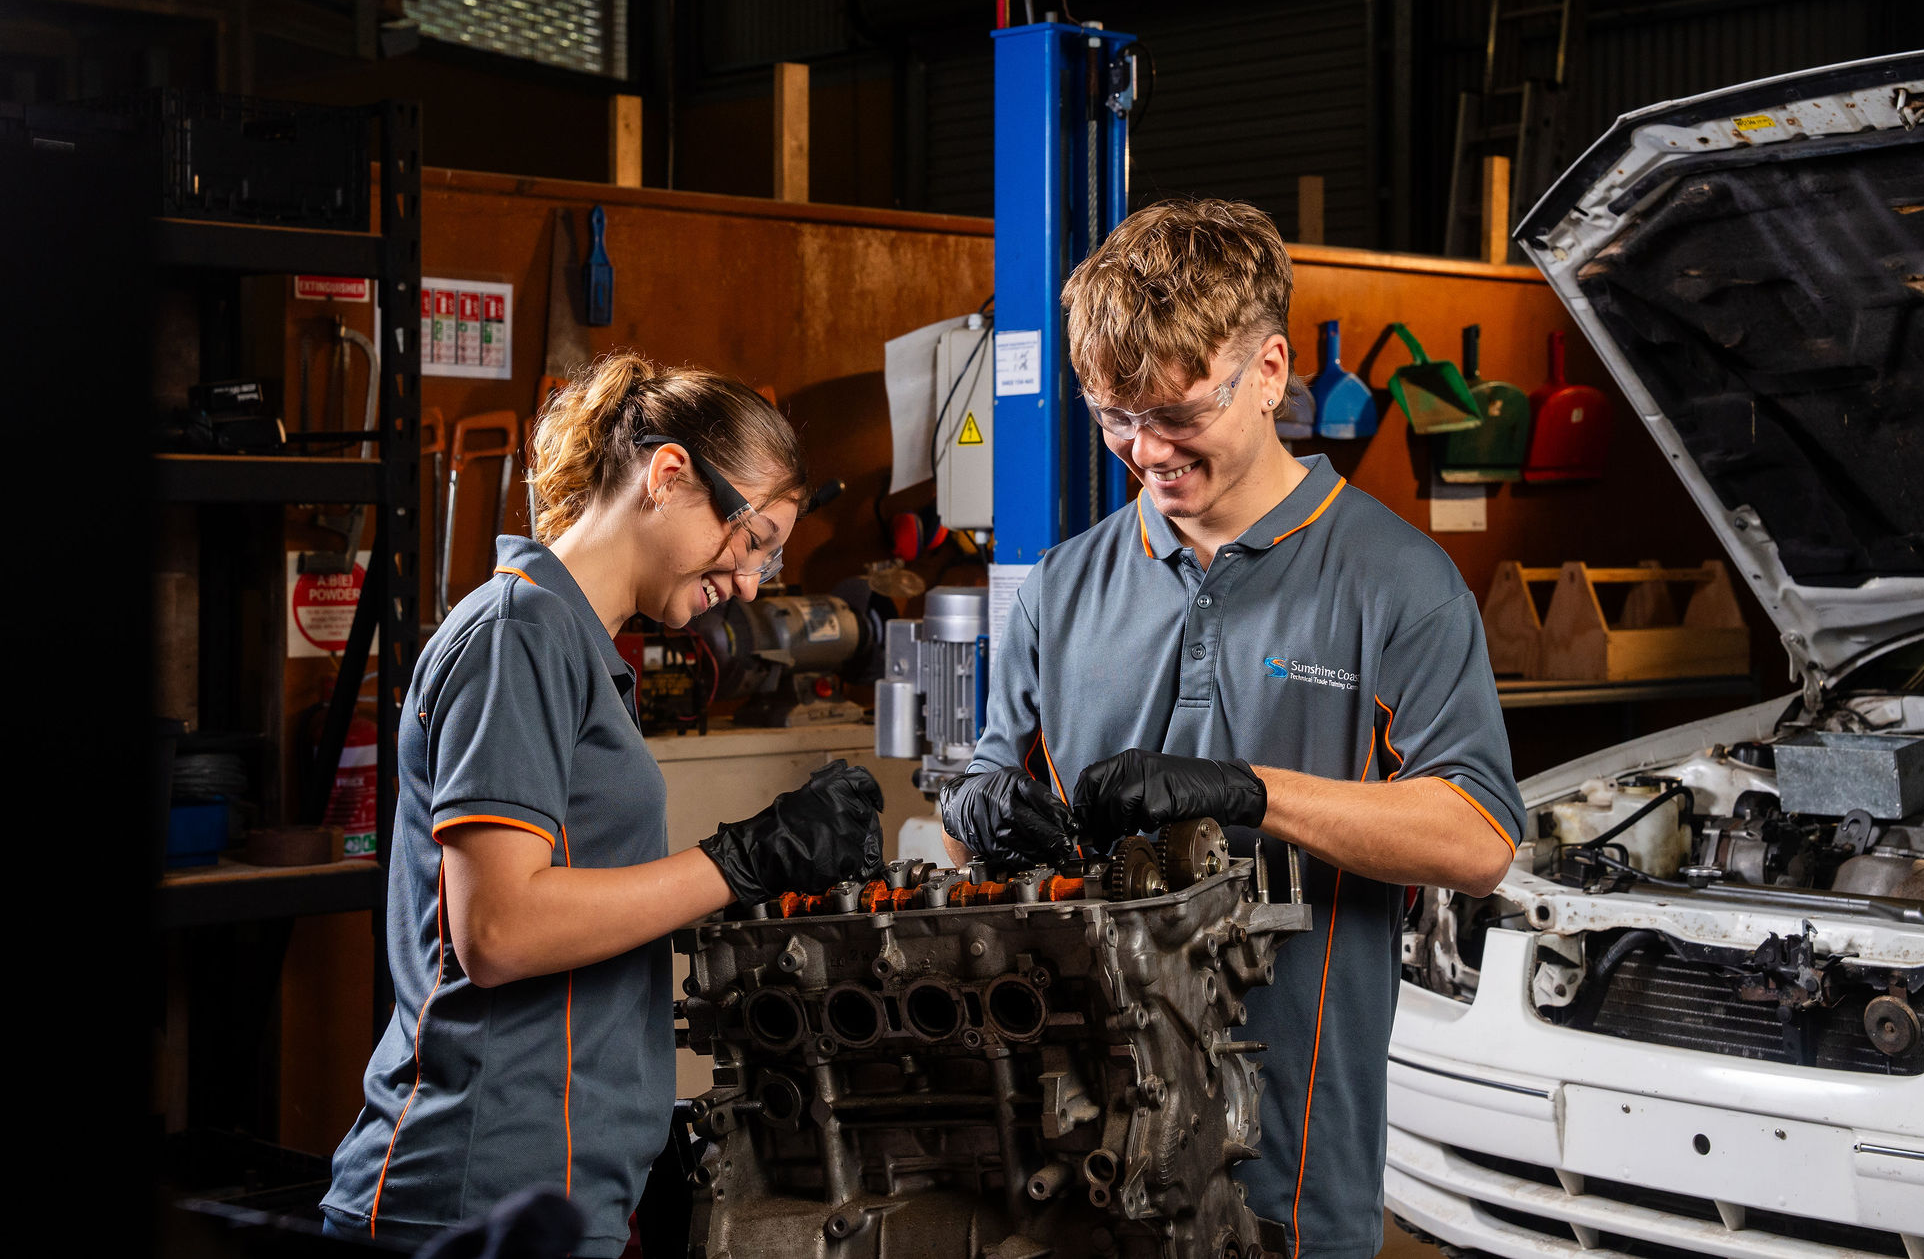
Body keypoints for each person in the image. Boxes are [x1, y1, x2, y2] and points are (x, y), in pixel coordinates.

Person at [939, 199, 1523, 1257]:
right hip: (1069, 1143)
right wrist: (969, 808)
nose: (1144, 451)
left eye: (1176, 413)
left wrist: (1248, 792)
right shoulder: (1063, 588)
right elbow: (981, 804)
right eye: (1113, 417)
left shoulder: (1394, 584)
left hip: (1287, 1156)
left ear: (1266, 371)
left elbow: (1476, 838)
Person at [321, 355, 888, 1256]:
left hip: (561, 1194)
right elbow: (499, 929)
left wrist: (768, 876)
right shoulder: (518, 635)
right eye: (752, 540)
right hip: (473, 1195)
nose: (749, 582)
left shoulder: (577, 647)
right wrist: (735, 859)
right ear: (668, 476)